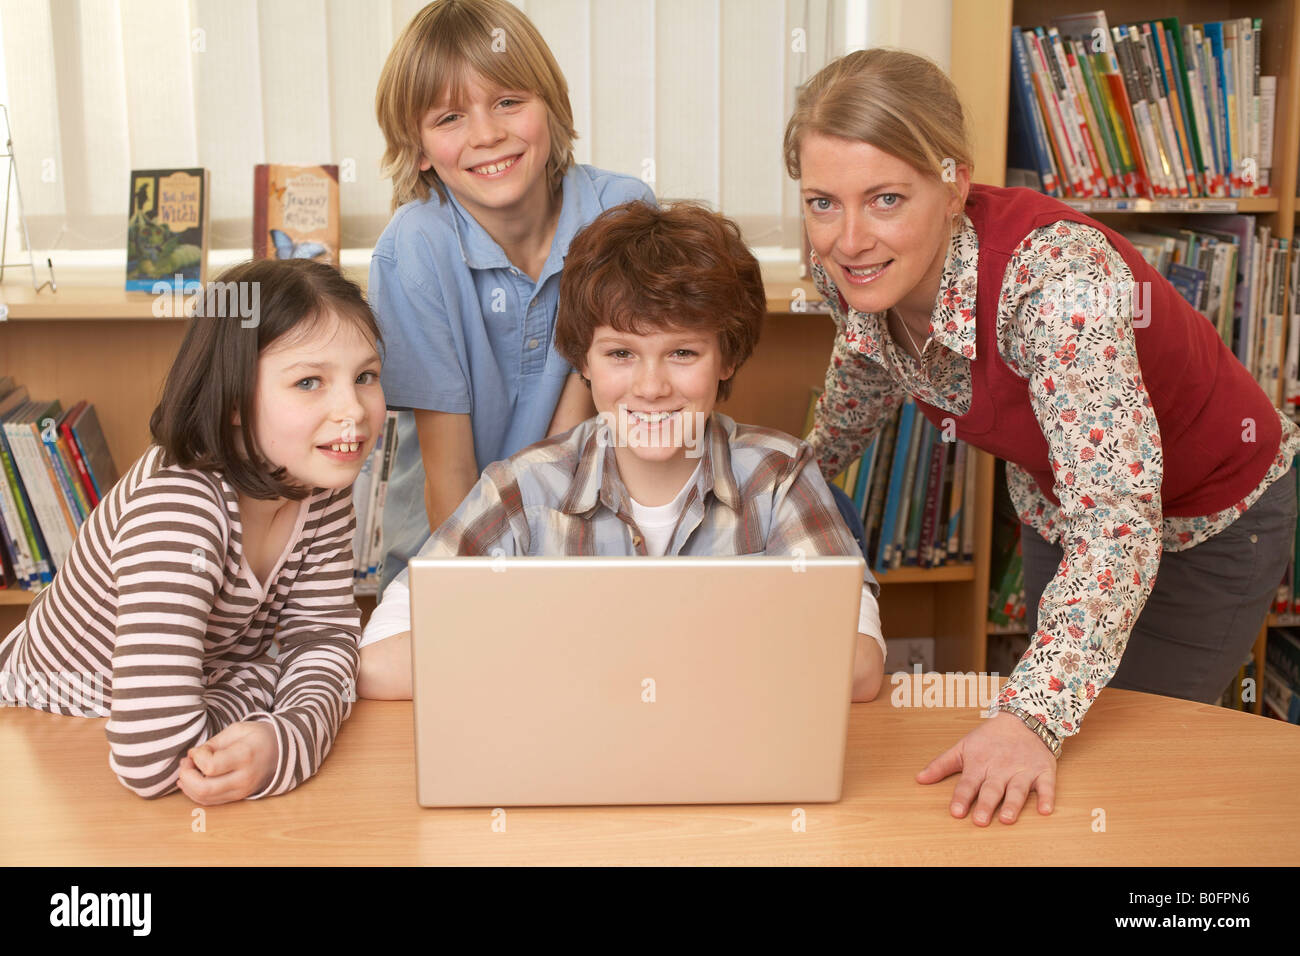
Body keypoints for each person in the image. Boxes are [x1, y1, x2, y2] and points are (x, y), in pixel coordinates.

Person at [784, 49, 1300, 826]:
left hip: (1210, 516)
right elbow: (863, 374)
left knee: (1127, 770)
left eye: (886, 198)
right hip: (1064, 508)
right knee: (1059, 772)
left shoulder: (1057, 283)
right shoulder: (848, 266)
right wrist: (781, 485)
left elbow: (1120, 523)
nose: (849, 238)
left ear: (954, 182)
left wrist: (1030, 717)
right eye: (823, 202)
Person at [358, 201, 885, 702]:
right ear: (582, 361)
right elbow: (379, 661)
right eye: (621, 354)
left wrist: (565, 647)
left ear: (726, 358)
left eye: (682, 352)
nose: (651, 387)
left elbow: (859, 667)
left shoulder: (779, 475)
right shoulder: (523, 487)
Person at [0, 258, 387, 805]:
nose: (352, 411)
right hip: (46, 730)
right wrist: (266, 680)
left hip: (151, 713)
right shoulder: (178, 508)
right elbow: (154, 760)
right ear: (231, 401)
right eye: (308, 381)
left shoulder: (318, 485)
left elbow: (324, 643)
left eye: (365, 376)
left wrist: (285, 739)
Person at [371, 0, 655, 596]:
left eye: (508, 102)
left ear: (549, 107)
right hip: (452, 547)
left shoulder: (620, 211)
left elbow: (583, 422)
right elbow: (449, 475)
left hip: (583, 532)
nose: (487, 134)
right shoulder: (415, 248)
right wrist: (496, 601)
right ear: (419, 149)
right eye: (449, 118)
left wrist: (546, 570)